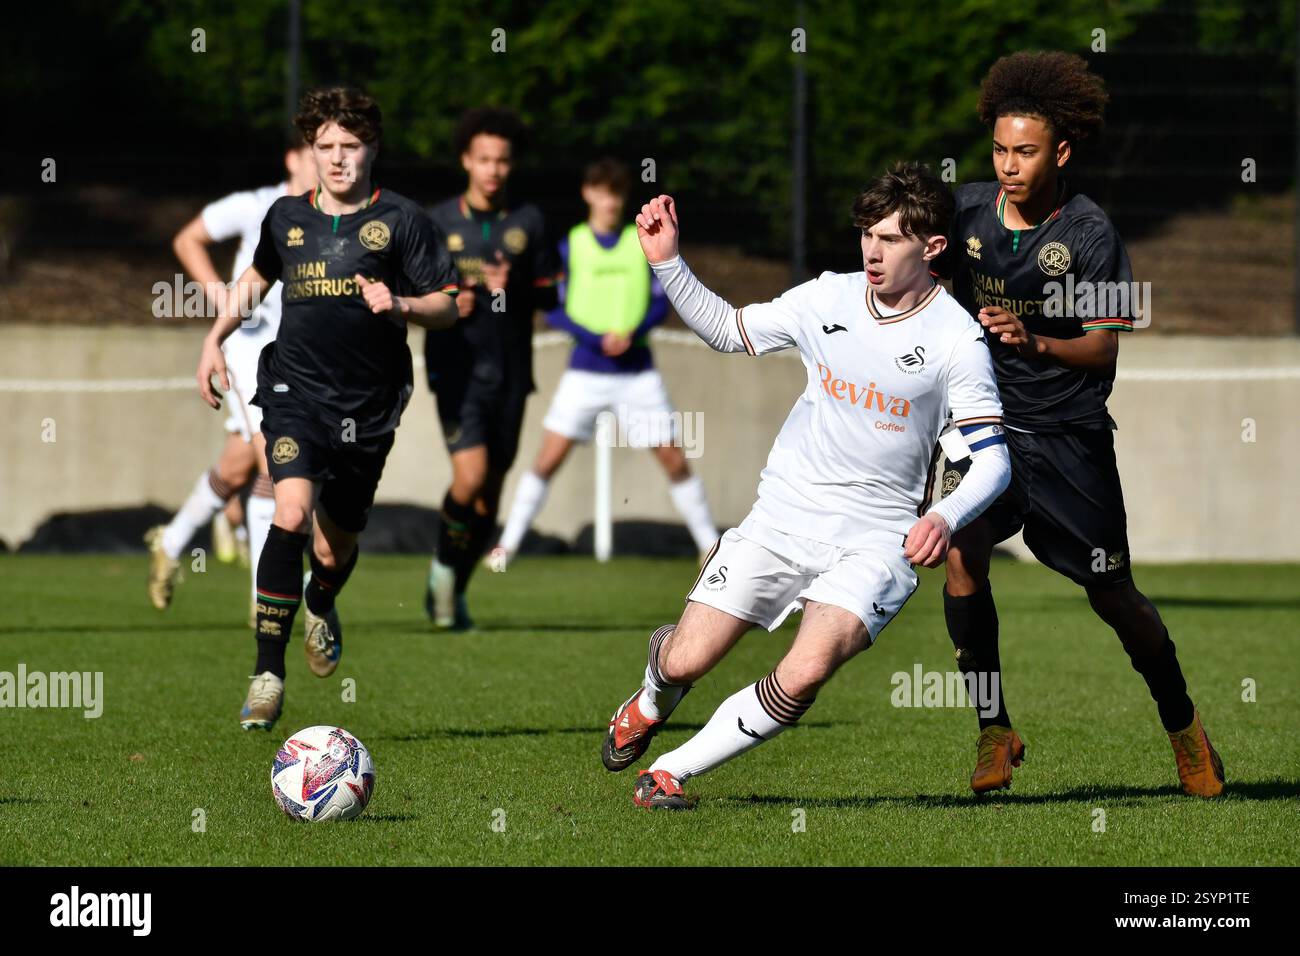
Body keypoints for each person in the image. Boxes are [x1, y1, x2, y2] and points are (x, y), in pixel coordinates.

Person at [601, 165, 1011, 810]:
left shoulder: (957, 339)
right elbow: (729, 333)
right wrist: (669, 263)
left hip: (877, 537)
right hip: (783, 517)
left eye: (891, 239)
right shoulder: (827, 298)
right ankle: (655, 690)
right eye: (866, 235)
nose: (872, 252)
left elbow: (994, 461)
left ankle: (669, 773)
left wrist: (945, 515)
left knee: (807, 670)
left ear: (932, 248)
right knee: (685, 662)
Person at [935, 51, 1222, 797]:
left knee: (1112, 595)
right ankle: (994, 729)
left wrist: (1034, 339)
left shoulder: (1090, 234)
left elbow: (1101, 352)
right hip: (989, 432)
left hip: (1068, 438)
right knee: (961, 555)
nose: (1007, 165)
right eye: (999, 149)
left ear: (1059, 152)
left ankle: (1184, 727)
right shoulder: (963, 213)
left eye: (1024, 152)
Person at [195, 86, 459, 730]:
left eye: (351, 146)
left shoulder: (403, 220)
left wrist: (400, 305)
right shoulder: (286, 215)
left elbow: (449, 304)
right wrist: (214, 338)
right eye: (326, 147)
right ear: (310, 151)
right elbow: (255, 280)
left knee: (335, 550)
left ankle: (320, 601)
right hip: (293, 391)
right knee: (287, 509)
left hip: (369, 406)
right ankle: (266, 673)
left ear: (373, 148)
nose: (338, 159)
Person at [493, 157, 717, 567]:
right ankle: (505, 548)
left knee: (674, 458)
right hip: (585, 372)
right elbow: (552, 308)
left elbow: (661, 300)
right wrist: (596, 339)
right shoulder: (571, 245)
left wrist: (632, 333)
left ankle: (709, 548)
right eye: (602, 192)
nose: (610, 202)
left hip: (637, 374)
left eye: (616, 193)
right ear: (588, 194)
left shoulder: (642, 240)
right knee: (547, 459)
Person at [146, 137, 317, 619]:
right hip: (248, 349)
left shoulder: (332, 216)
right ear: (292, 158)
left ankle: (171, 541)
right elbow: (187, 238)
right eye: (316, 151)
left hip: (301, 355)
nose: (328, 161)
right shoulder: (256, 205)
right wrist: (222, 300)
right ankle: (266, 598)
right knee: (275, 460)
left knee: (238, 465)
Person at [423, 107, 562, 629]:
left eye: (502, 160)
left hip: (511, 374)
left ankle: (453, 592)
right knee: (471, 475)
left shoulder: (530, 221)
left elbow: (551, 297)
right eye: (483, 159)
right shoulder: (437, 222)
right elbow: (414, 295)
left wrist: (516, 288)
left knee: (488, 503)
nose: (493, 170)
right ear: (466, 160)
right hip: (456, 372)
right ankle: (440, 574)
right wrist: (444, 302)